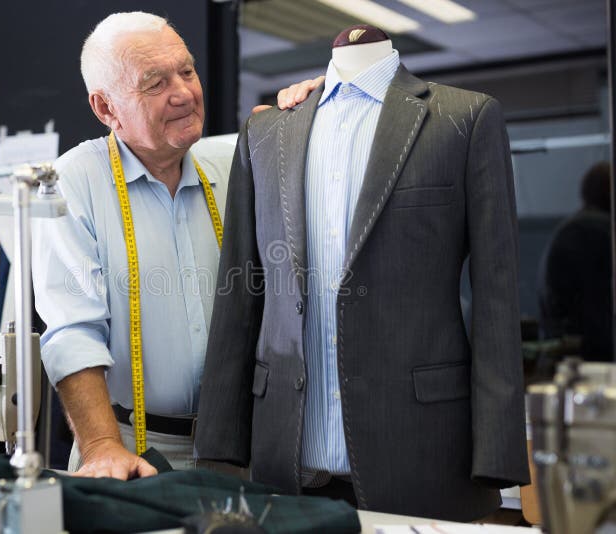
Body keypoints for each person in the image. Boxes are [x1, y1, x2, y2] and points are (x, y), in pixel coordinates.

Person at [195, 25, 530, 521]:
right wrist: (221, 435)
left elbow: (498, 291)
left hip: (421, 449)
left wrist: (497, 451)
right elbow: (243, 288)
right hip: (286, 458)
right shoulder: (266, 132)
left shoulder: (464, 118)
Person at [32, 11, 318, 480]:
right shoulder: (72, 181)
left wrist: (310, 117)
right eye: (155, 83)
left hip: (238, 445)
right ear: (106, 109)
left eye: (186, 71)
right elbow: (72, 330)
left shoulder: (233, 164)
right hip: (129, 450)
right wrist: (102, 446)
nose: (184, 92)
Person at [538, 161, 613, 361]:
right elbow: (599, 311)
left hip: (565, 349)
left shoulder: (570, 229)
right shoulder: (598, 232)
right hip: (592, 356)